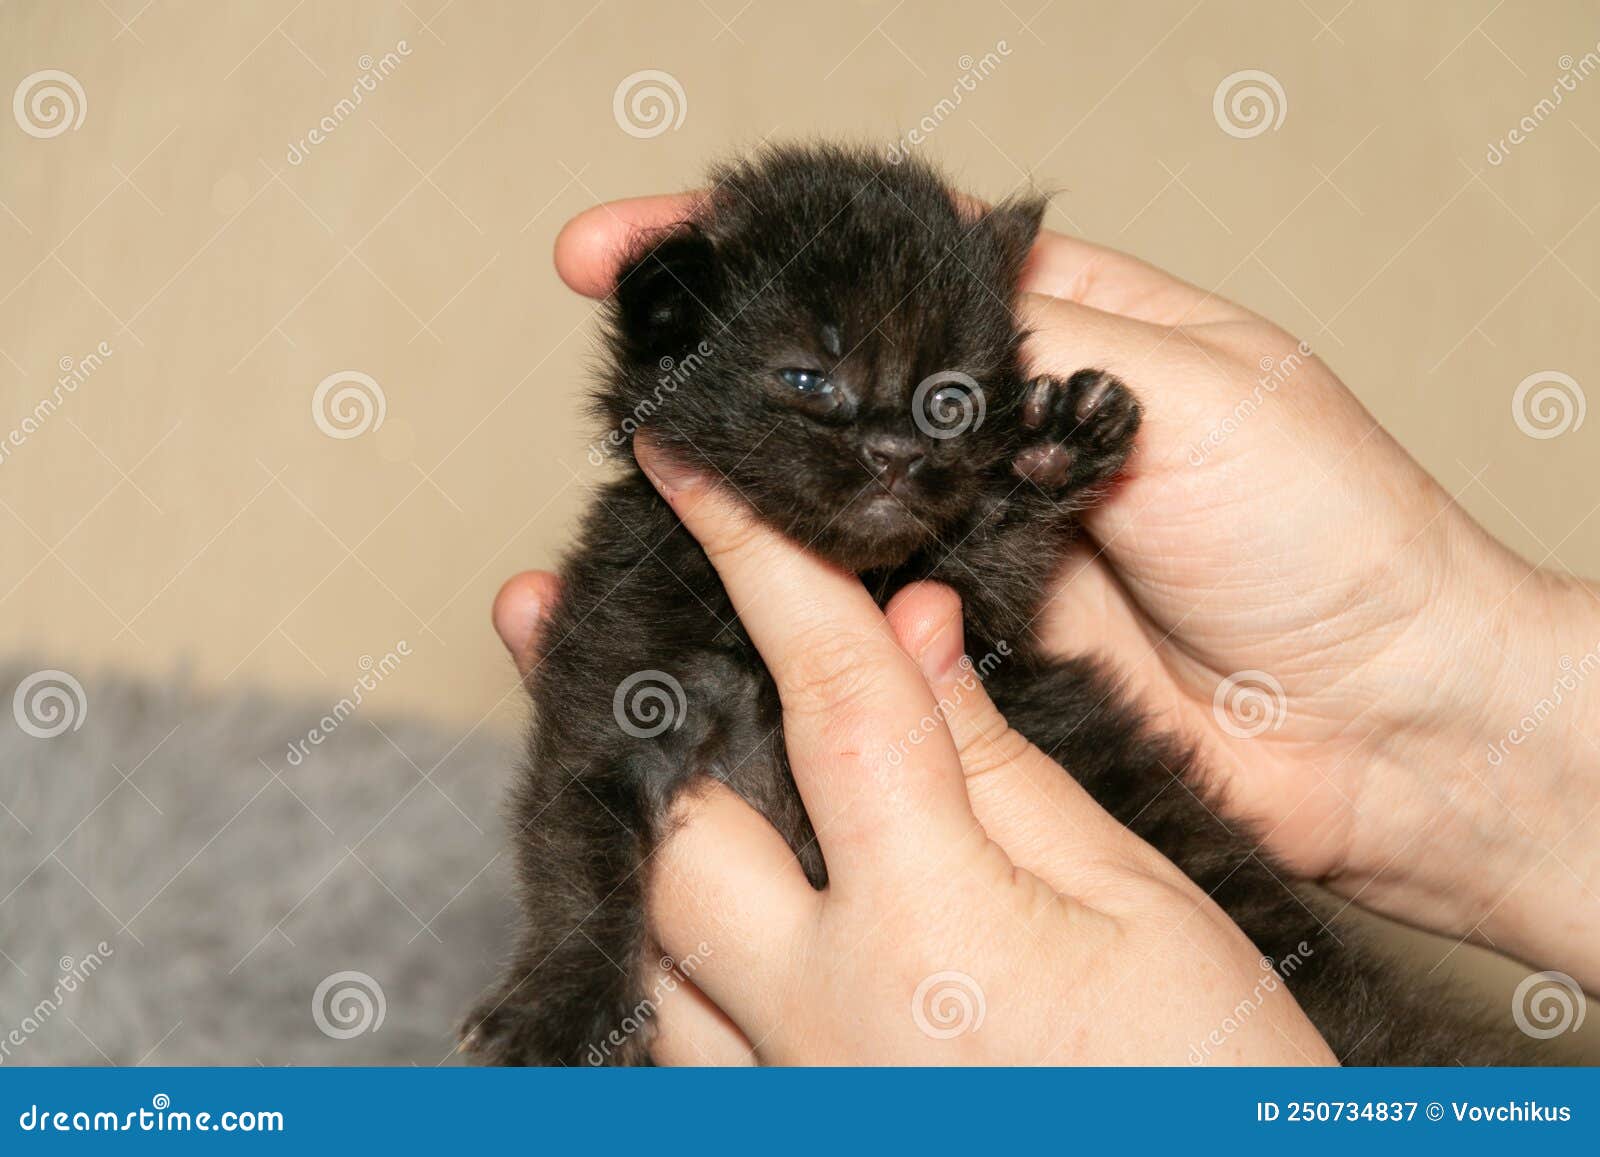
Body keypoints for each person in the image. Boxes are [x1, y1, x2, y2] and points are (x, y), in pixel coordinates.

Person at [489, 194, 1600, 1064]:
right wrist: (580, 984)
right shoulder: (640, 575)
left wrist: (1023, 502)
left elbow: (968, 605)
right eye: (808, 381)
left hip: (1127, 852)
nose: (888, 447)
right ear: (672, 341)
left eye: (946, 404)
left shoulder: (953, 543)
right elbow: (593, 782)